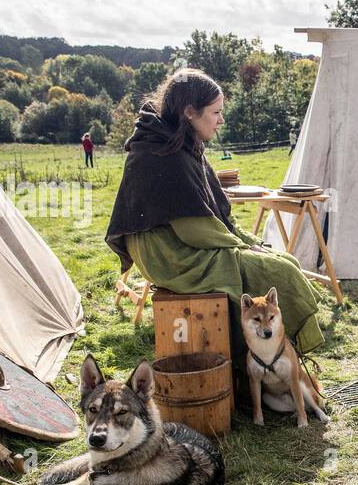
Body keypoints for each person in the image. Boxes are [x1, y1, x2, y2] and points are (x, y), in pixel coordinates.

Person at [105, 69, 324, 368]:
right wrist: (243, 248)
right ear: (190, 112)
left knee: (285, 260)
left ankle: (278, 360)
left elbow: (204, 217)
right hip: (171, 255)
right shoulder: (162, 152)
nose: (221, 120)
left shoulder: (179, 141)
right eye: (216, 112)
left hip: (185, 241)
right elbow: (193, 226)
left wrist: (248, 242)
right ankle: (264, 363)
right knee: (275, 271)